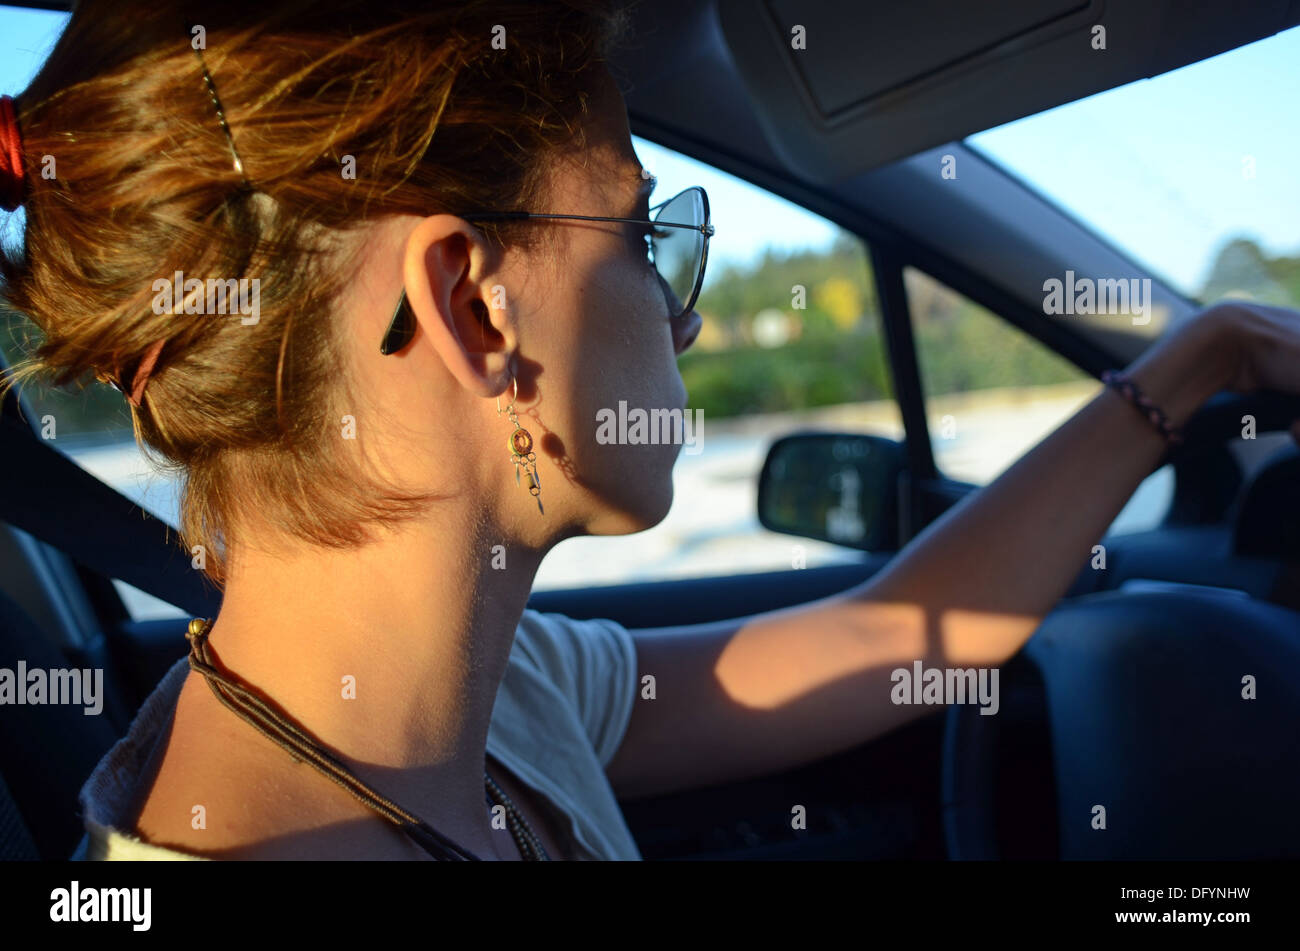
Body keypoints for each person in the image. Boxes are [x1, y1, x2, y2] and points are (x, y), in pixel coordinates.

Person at [1, 0, 1298, 861]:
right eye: (642, 234)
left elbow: (883, 640)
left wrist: (1200, 358)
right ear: (472, 306)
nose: (684, 321)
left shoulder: (501, 698)